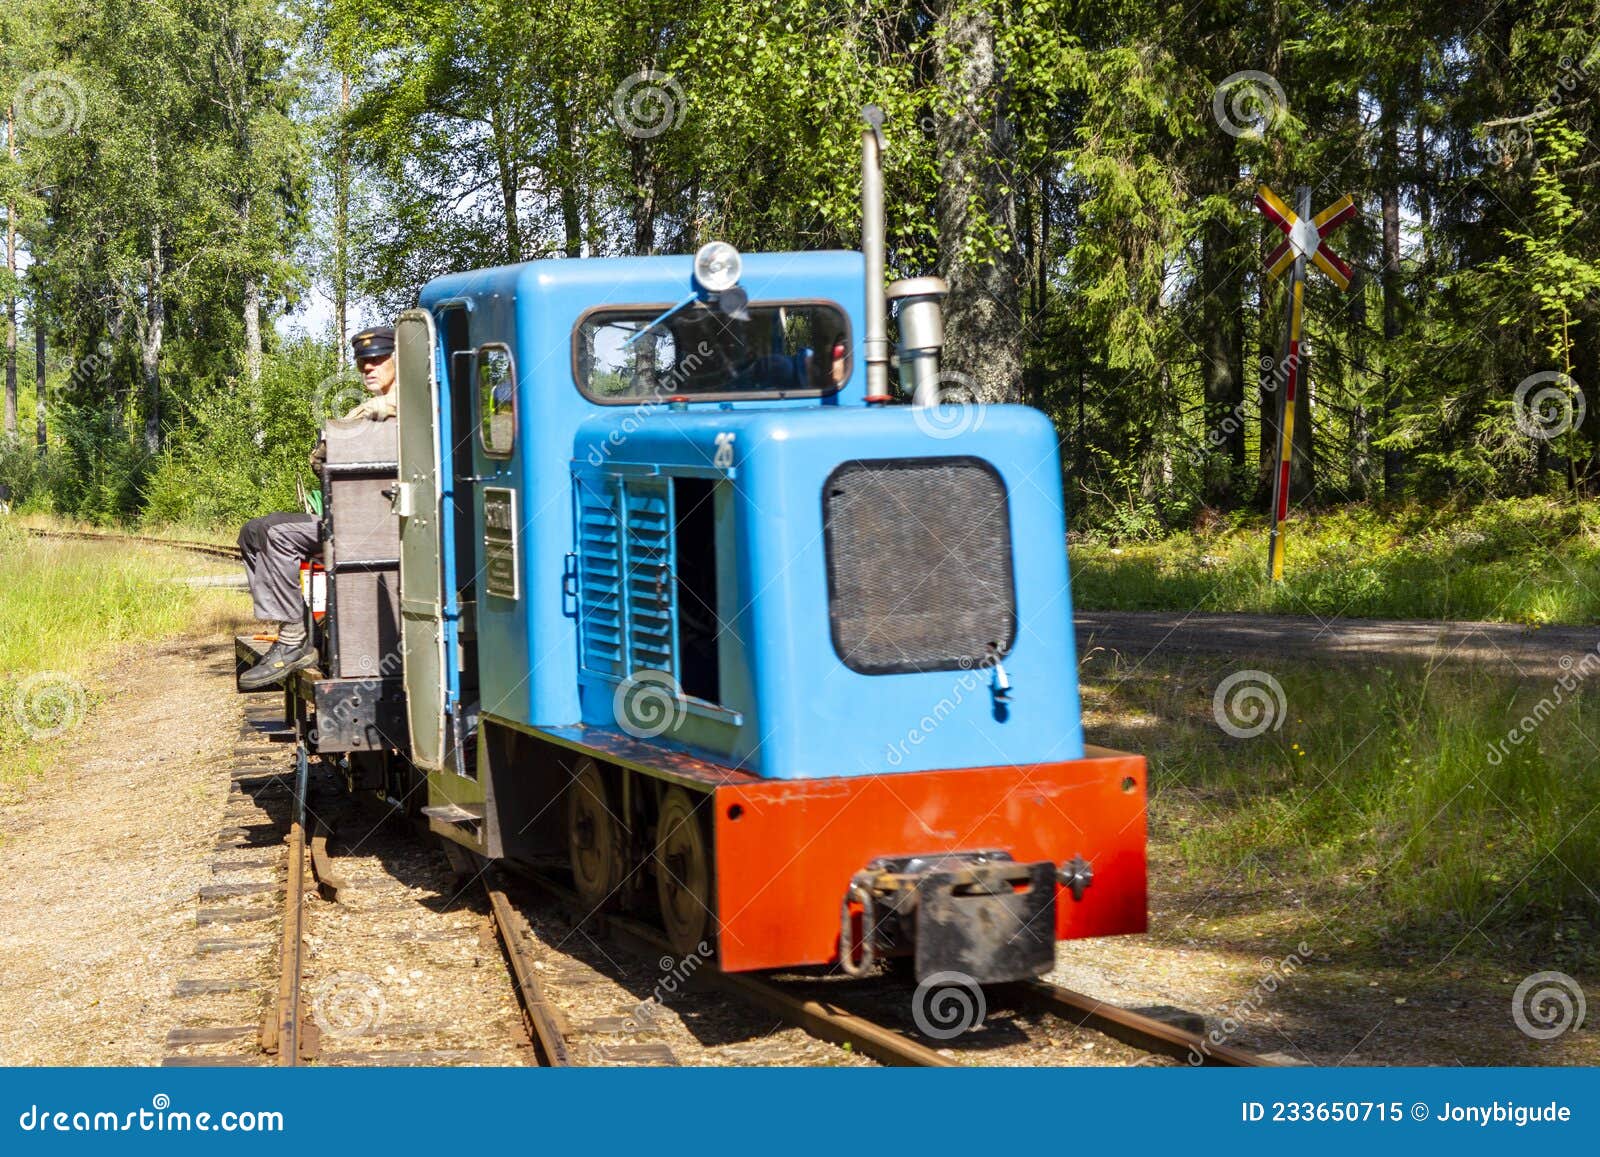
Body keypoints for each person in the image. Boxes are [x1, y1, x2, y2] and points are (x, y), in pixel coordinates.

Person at [237, 326, 397, 690]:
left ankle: (295, 642)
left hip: (388, 527)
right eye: (362, 363)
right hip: (347, 519)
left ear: (399, 361)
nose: (368, 369)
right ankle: (301, 631)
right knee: (255, 531)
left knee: (277, 535)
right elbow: (320, 461)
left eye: (377, 360)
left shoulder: (415, 401)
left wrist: (365, 415)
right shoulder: (366, 408)